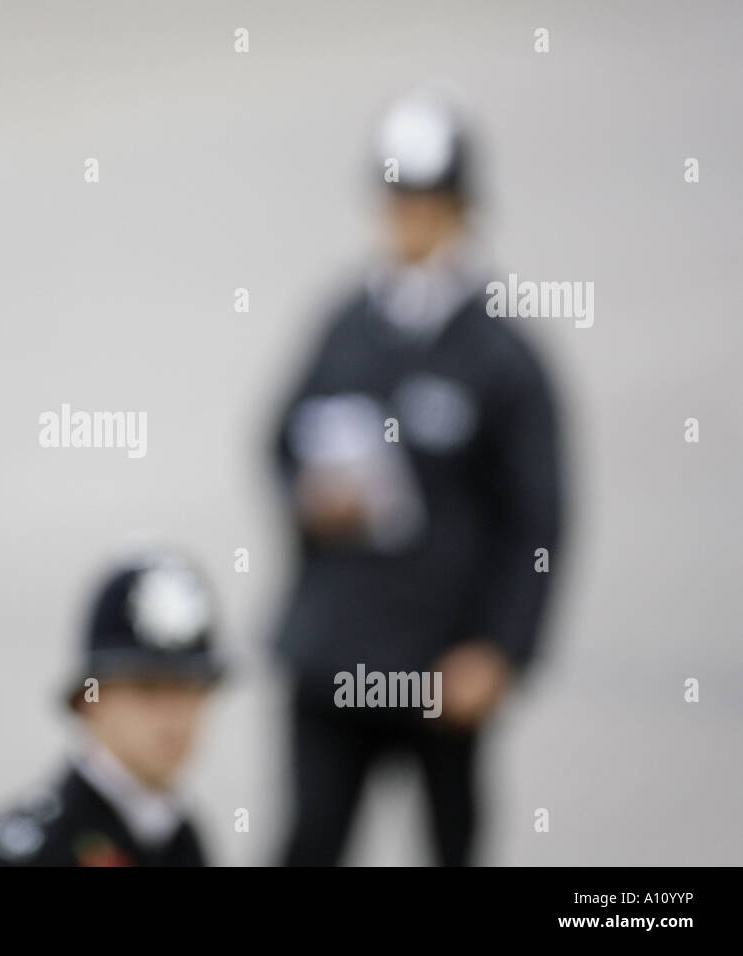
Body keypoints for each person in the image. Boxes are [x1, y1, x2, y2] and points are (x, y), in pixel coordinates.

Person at [270, 91, 564, 866]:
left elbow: (537, 518)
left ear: (463, 207)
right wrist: (311, 494)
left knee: (450, 844)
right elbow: (279, 438)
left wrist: (500, 649)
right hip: (335, 650)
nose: (409, 216)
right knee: (309, 842)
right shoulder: (347, 323)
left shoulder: (501, 355)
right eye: (397, 196)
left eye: (427, 199)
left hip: (439, 663)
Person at [0, 552, 224, 866]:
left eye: (190, 688)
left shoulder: (180, 836)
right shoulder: (37, 853)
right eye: (146, 688)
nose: (174, 715)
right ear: (91, 702)